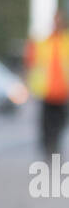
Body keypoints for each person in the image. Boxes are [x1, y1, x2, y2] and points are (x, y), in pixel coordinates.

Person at [25, 10, 69, 155]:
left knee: (60, 121)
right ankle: (48, 147)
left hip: (63, 91)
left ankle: (54, 145)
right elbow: (32, 62)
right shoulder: (43, 42)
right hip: (46, 90)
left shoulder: (65, 42)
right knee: (46, 122)